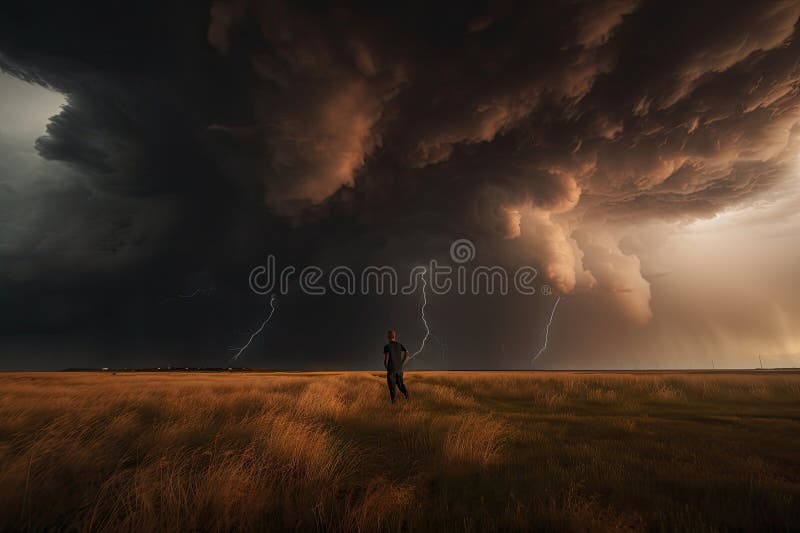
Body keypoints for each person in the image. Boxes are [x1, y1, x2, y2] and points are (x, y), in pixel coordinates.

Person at [383, 330, 409, 403]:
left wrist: (386, 366)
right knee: (400, 386)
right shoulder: (399, 345)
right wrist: (402, 364)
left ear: (388, 336)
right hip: (399, 370)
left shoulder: (387, 346)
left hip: (391, 370)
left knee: (392, 388)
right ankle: (407, 396)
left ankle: (394, 403)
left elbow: (386, 359)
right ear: (395, 336)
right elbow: (407, 354)